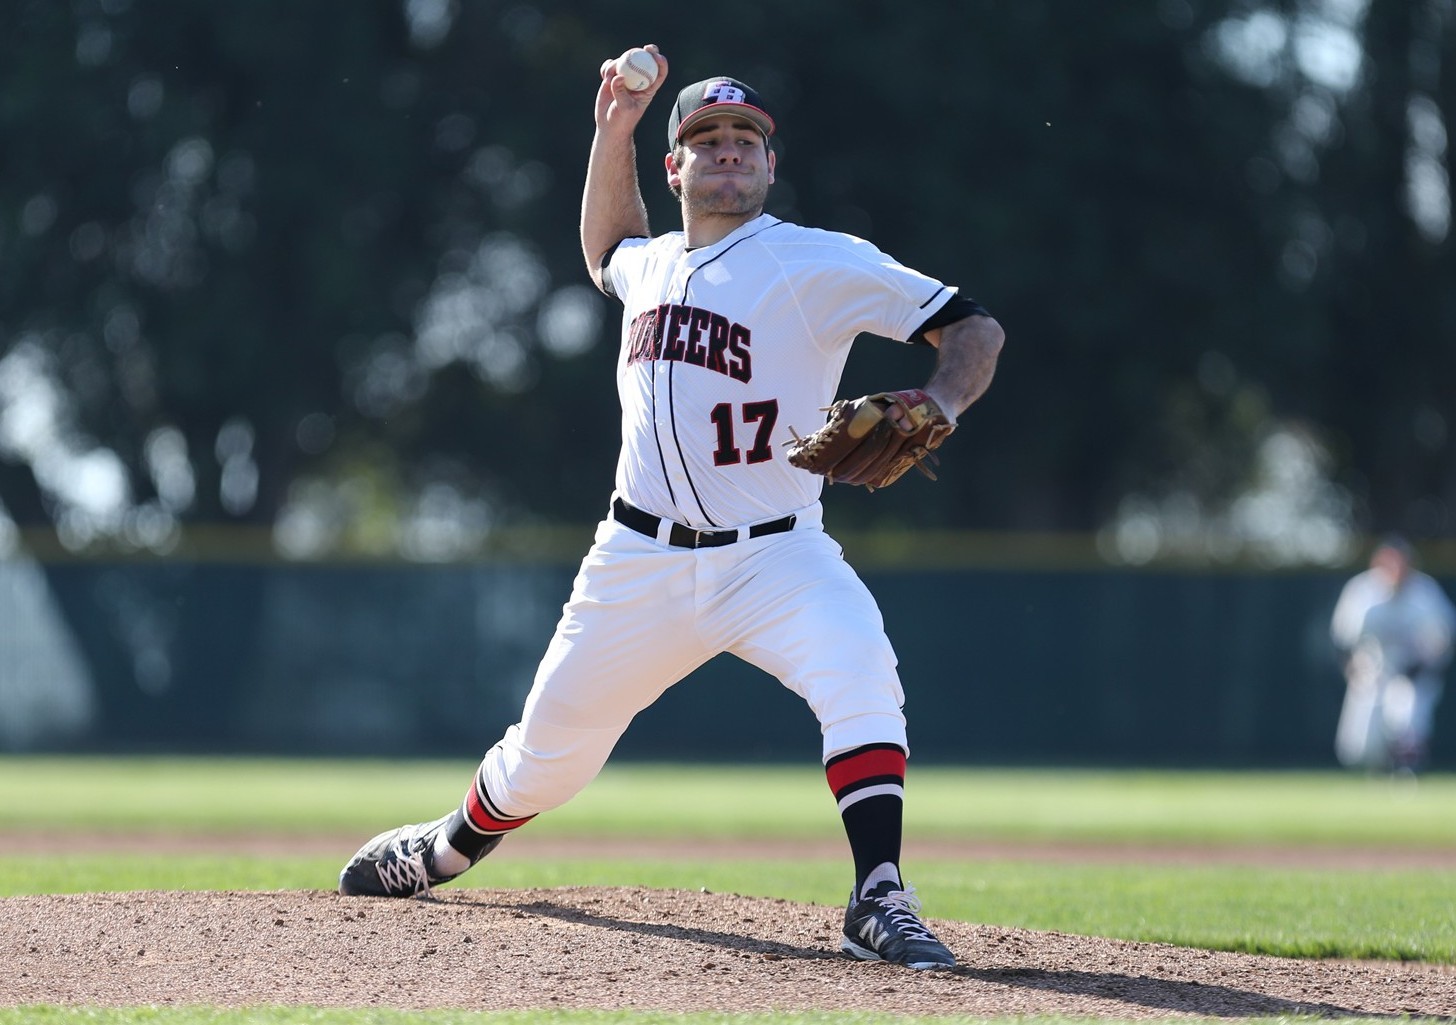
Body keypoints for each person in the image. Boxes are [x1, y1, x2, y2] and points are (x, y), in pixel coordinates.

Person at [338, 44, 1004, 971]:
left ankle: (879, 893)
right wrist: (614, 127)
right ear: (676, 166)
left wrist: (940, 402)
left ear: (770, 164)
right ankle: (445, 847)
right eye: (707, 138)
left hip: (776, 554)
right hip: (636, 559)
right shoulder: (649, 266)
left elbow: (974, 327)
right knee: (546, 758)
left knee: (859, 667)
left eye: (746, 139)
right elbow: (604, 249)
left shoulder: (816, 260)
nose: (728, 150)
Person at [1330, 535, 1456, 772]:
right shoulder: (1362, 591)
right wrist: (1351, 668)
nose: (1396, 569)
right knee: (1358, 748)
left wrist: (1424, 665)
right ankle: (1381, 768)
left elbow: (1445, 637)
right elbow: (1342, 639)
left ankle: (1406, 770)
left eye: (1401, 562)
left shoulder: (1425, 592)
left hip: (1413, 669)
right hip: (1372, 669)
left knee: (1409, 718)